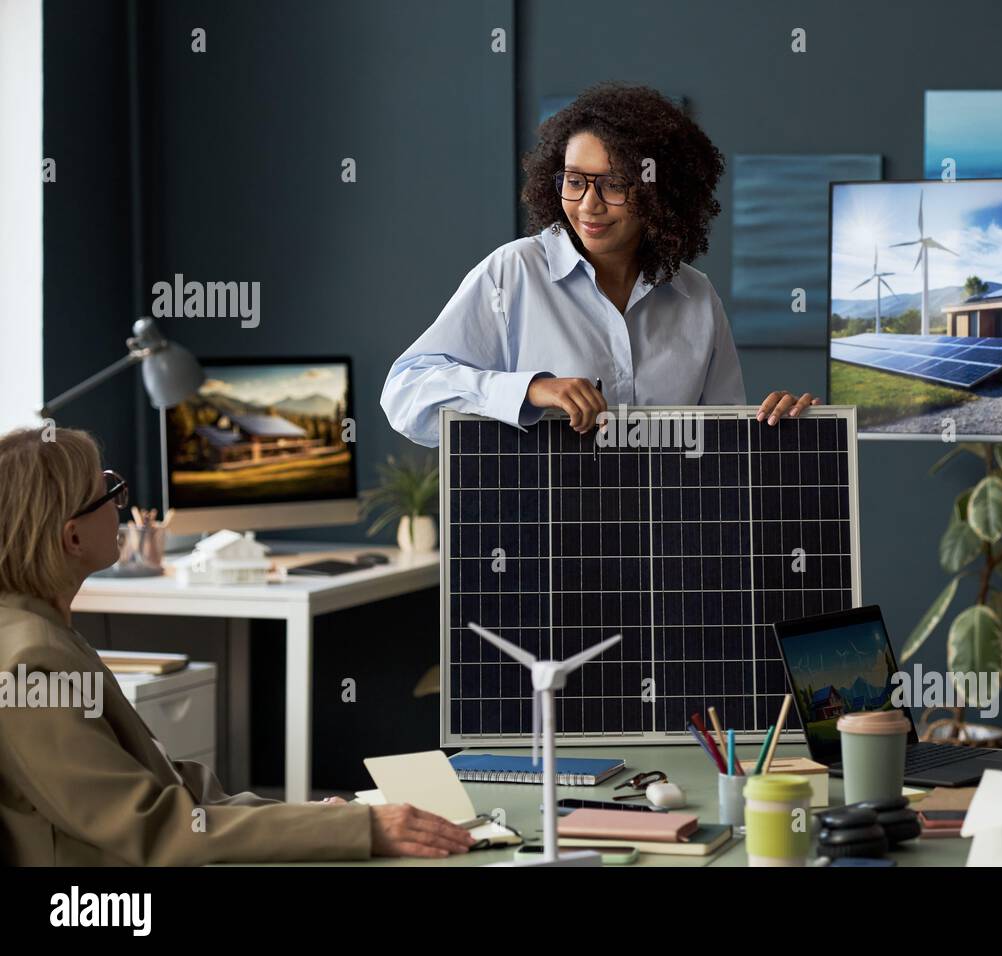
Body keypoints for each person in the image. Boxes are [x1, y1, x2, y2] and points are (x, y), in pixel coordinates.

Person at [0, 426, 477, 865]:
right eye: (108, 493)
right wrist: (354, 827)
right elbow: (152, 825)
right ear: (73, 537)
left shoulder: (41, 634)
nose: (121, 506)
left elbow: (173, 784)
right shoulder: (31, 665)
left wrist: (316, 820)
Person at [381, 82, 819, 448]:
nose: (588, 205)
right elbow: (405, 394)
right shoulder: (512, 273)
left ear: (660, 193)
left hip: (665, 545)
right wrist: (531, 389)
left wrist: (781, 427)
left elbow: (722, 449)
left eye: (613, 185)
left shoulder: (697, 296)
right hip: (542, 545)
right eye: (574, 181)